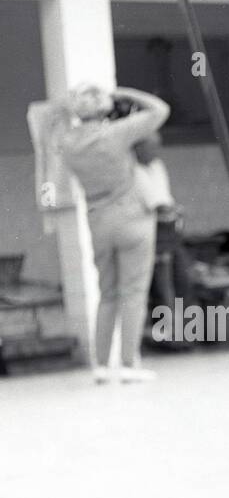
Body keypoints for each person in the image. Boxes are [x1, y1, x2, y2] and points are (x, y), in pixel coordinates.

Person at [59, 83, 170, 383]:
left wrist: (72, 105)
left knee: (106, 293)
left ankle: (101, 365)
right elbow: (160, 110)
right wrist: (125, 92)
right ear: (101, 106)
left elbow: (49, 120)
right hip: (133, 216)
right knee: (133, 292)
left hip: (97, 219)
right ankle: (128, 364)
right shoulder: (116, 133)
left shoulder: (68, 142)